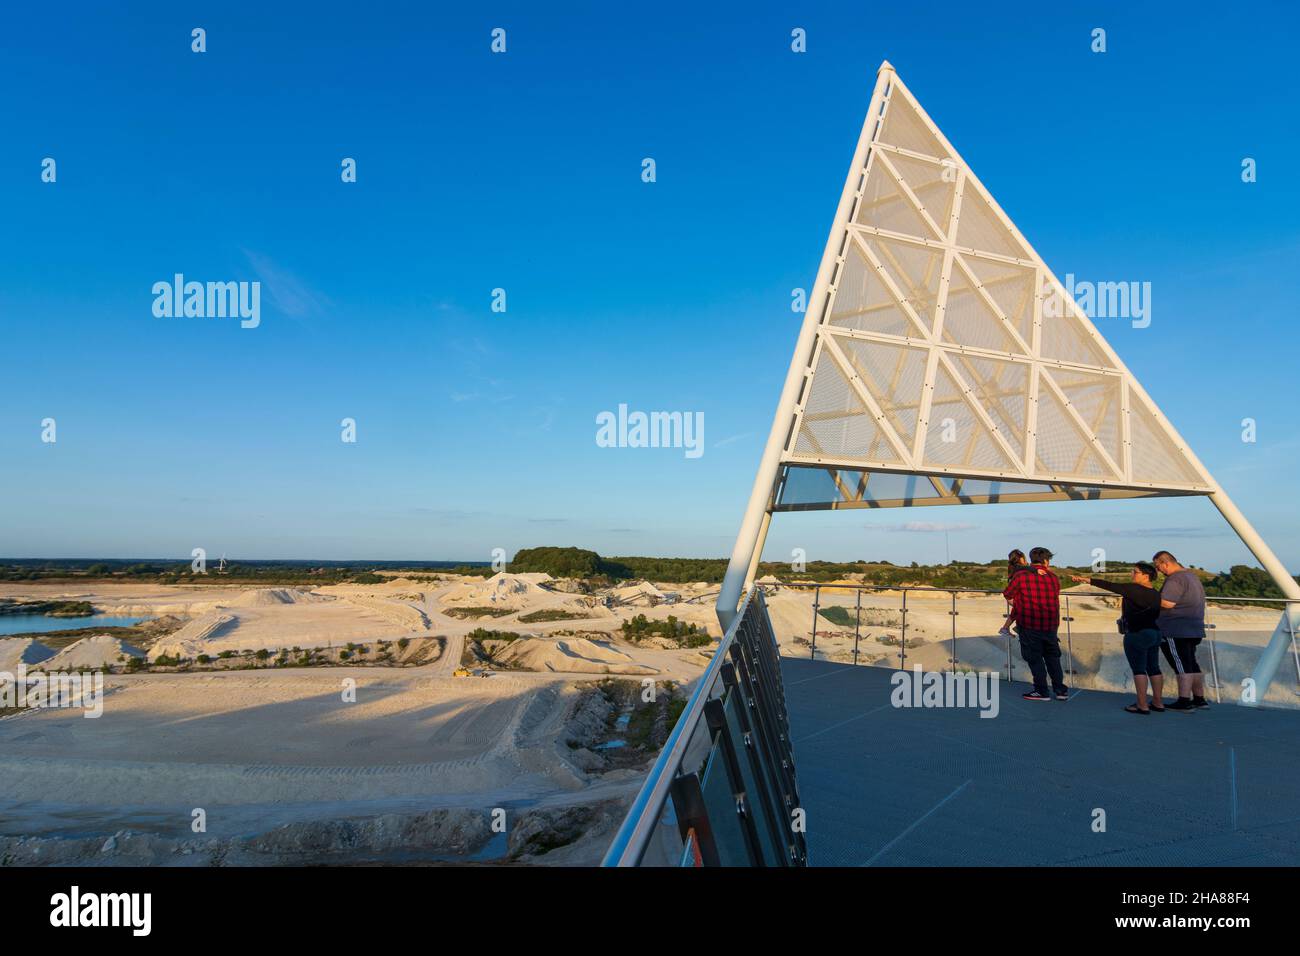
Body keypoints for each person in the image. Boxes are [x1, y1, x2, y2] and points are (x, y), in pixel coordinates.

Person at [1071, 562, 1164, 714]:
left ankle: (1142, 704)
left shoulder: (1133, 589)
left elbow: (1109, 585)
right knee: (1154, 668)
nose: (1132, 574)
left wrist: (1086, 579)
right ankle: (1158, 703)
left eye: (1135, 572)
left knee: (1139, 669)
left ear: (1146, 576)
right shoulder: (1155, 593)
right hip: (1155, 633)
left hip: (1137, 634)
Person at [1003, 547, 1068, 701]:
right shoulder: (1053, 577)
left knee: (1035, 658)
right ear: (1046, 561)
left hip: (1029, 624)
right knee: (1053, 658)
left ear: (1031, 559)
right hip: (1051, 625)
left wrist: (1019, 603)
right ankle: (1060, 691)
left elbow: (1008, 593)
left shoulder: (1021, 576)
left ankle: (1041, 691)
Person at [1153, 550, 1209, 710]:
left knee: (1181, 664)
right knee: (1191, 663)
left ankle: (1184, 701)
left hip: (1175, 628)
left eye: (1158, 567)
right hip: (1194, 627)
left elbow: (1167, 603)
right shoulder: (1192, 576)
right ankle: (1199, 699)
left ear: (1165, 563)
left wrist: (1150, 599)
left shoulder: (1175, 579)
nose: (1158, 571)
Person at [998, 549, 1029, 637]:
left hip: (1012, 595)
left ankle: (1007, 628)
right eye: (1024, 558)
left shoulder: (1012, 567)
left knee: (1017, 611)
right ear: (1020, 558)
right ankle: (1008, 628)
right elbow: (1026, 568)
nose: (1026, 561)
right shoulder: (1021, 569)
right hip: (1016, 595)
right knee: (1019, 609)